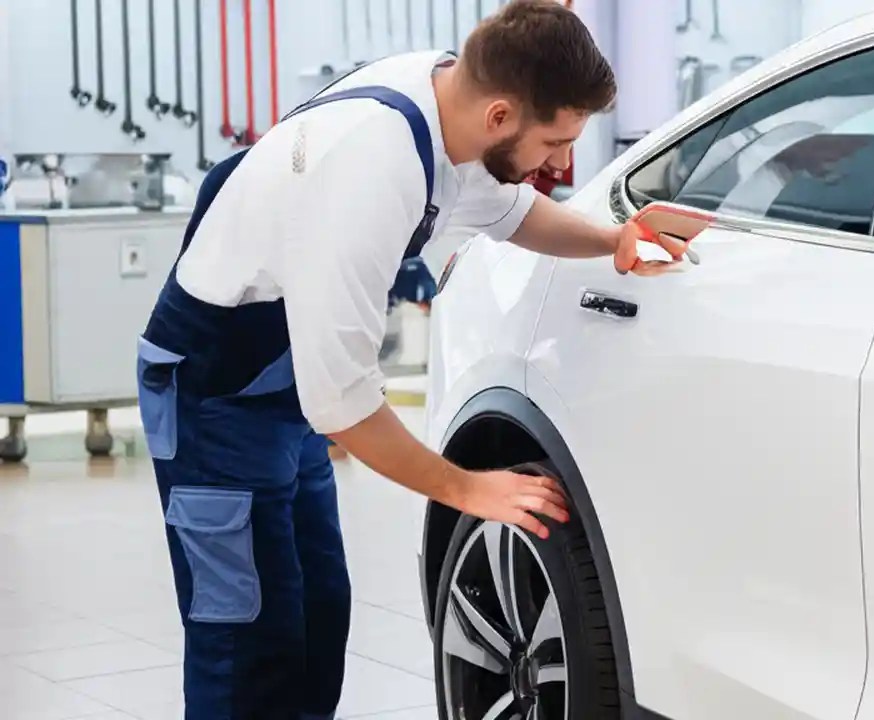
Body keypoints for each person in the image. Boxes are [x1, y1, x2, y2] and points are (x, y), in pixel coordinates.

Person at [133, 1, 688, 717]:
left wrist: (609, 239)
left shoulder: (446, 97)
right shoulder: (372, 170)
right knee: (247, 633)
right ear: (499, 116)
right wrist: (468, 489)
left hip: (281, 387)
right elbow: (344, 408)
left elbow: (511, 212)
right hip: (214, 396)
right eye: (556, 141)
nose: (562, 162)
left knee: (317, 610)